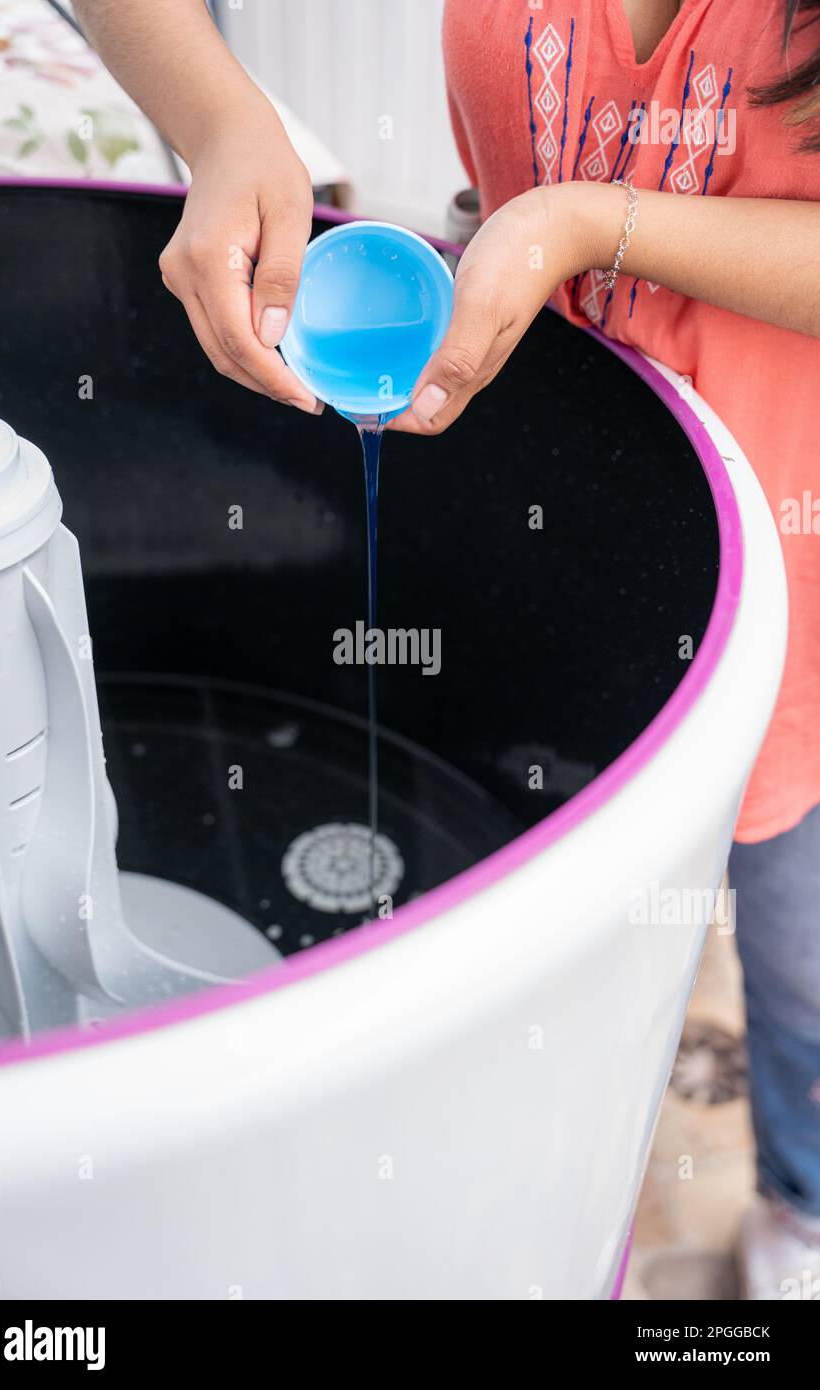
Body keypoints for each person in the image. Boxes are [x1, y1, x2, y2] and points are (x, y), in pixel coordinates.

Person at [73, 0, 820, 1300]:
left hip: (790, 563)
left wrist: (583, 219)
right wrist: (217, 116)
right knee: (565, 917)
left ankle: (800, 1202)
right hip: (535, 512)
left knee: (799, 947)